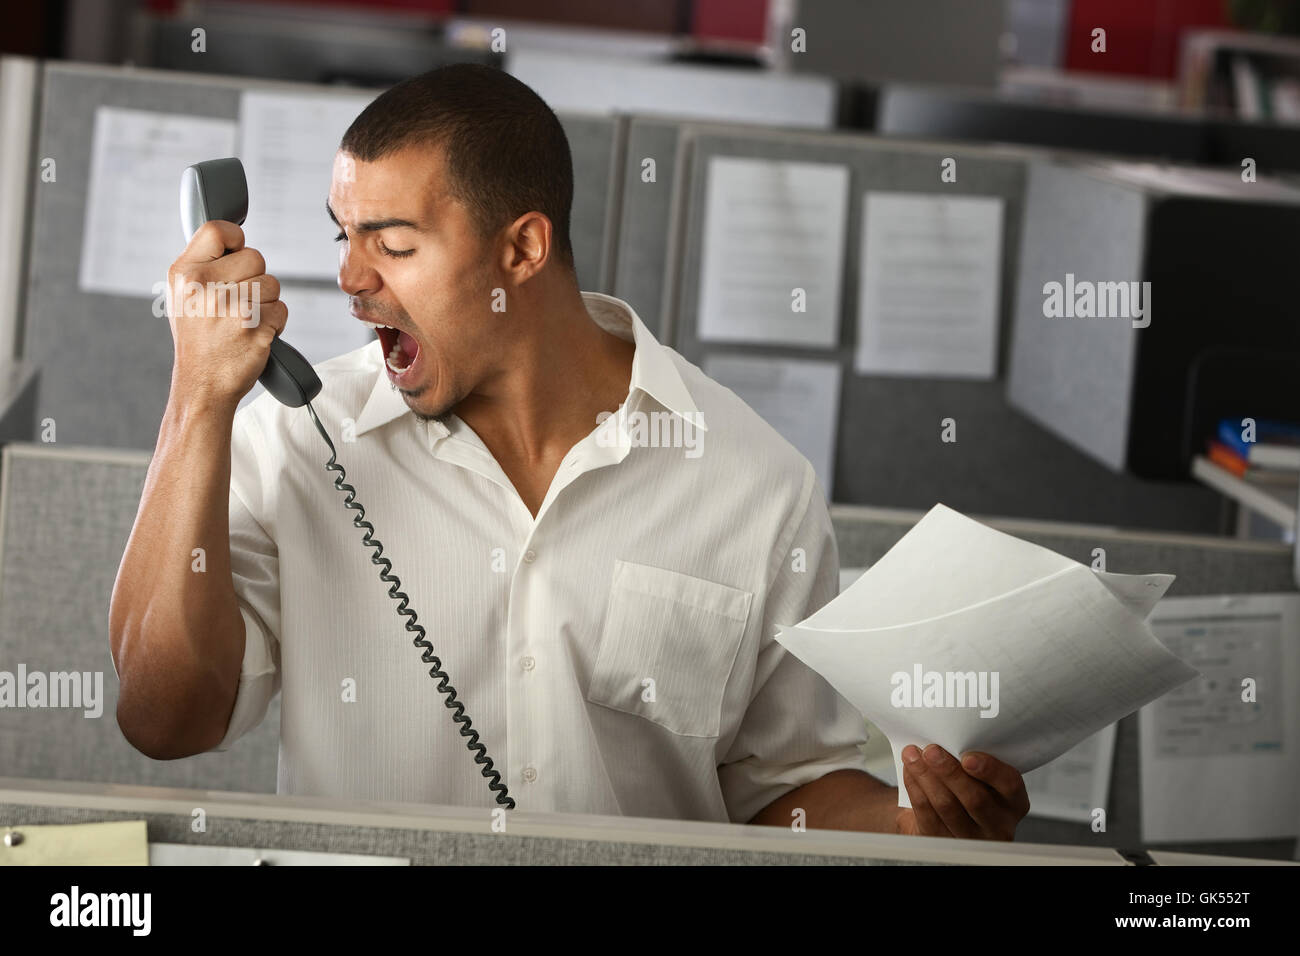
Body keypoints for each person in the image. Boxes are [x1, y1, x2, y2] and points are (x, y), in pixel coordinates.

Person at [110, 63, 1028, 838]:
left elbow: (783, 791)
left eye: (391, 243)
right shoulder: (300, 438)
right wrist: (199, 397)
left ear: (523, 250)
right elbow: (162, 719)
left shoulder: (755, 484)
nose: (351, 281)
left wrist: (915, 829)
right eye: (342, 236)